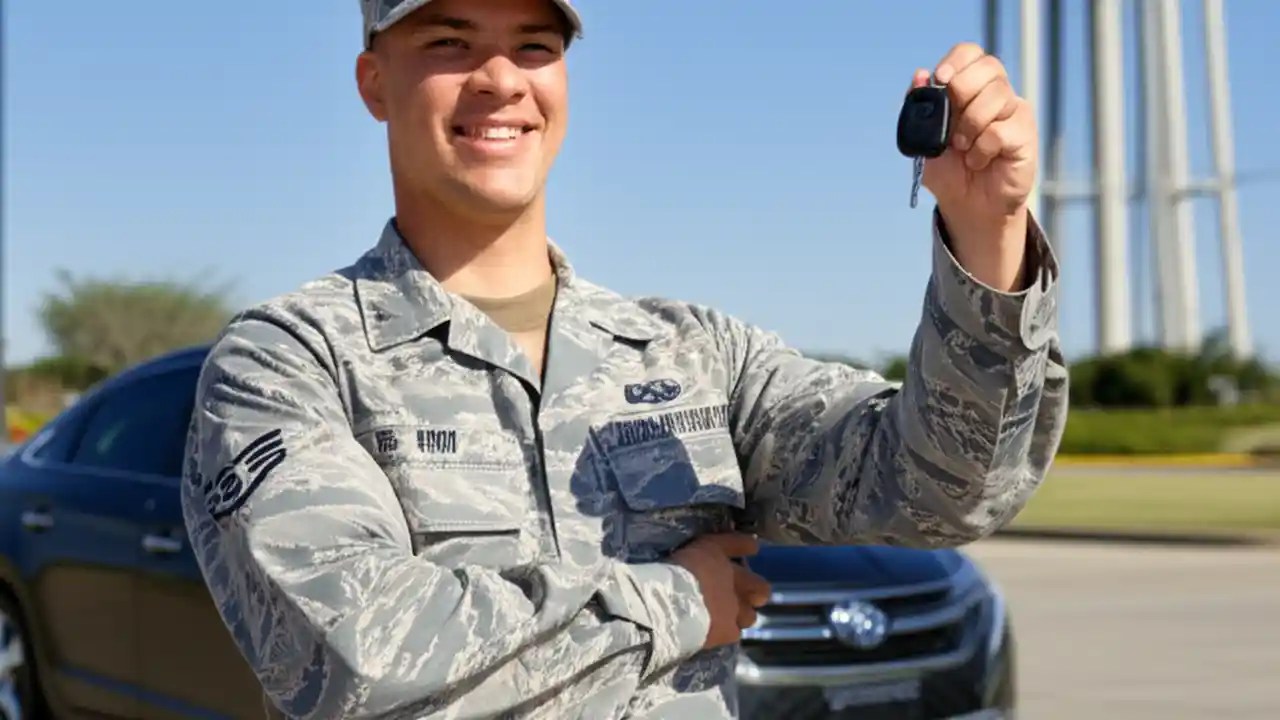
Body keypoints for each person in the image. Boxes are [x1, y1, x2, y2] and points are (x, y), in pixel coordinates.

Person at [180, 0, 1067, 718]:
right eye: (450, 40)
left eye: (534, 45)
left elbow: (943, 488)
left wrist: (987, 238)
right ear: (374, 80)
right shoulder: (291, 361)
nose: (500, 79)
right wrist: (676, 602)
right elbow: (356, 656)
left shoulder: (693, 353)